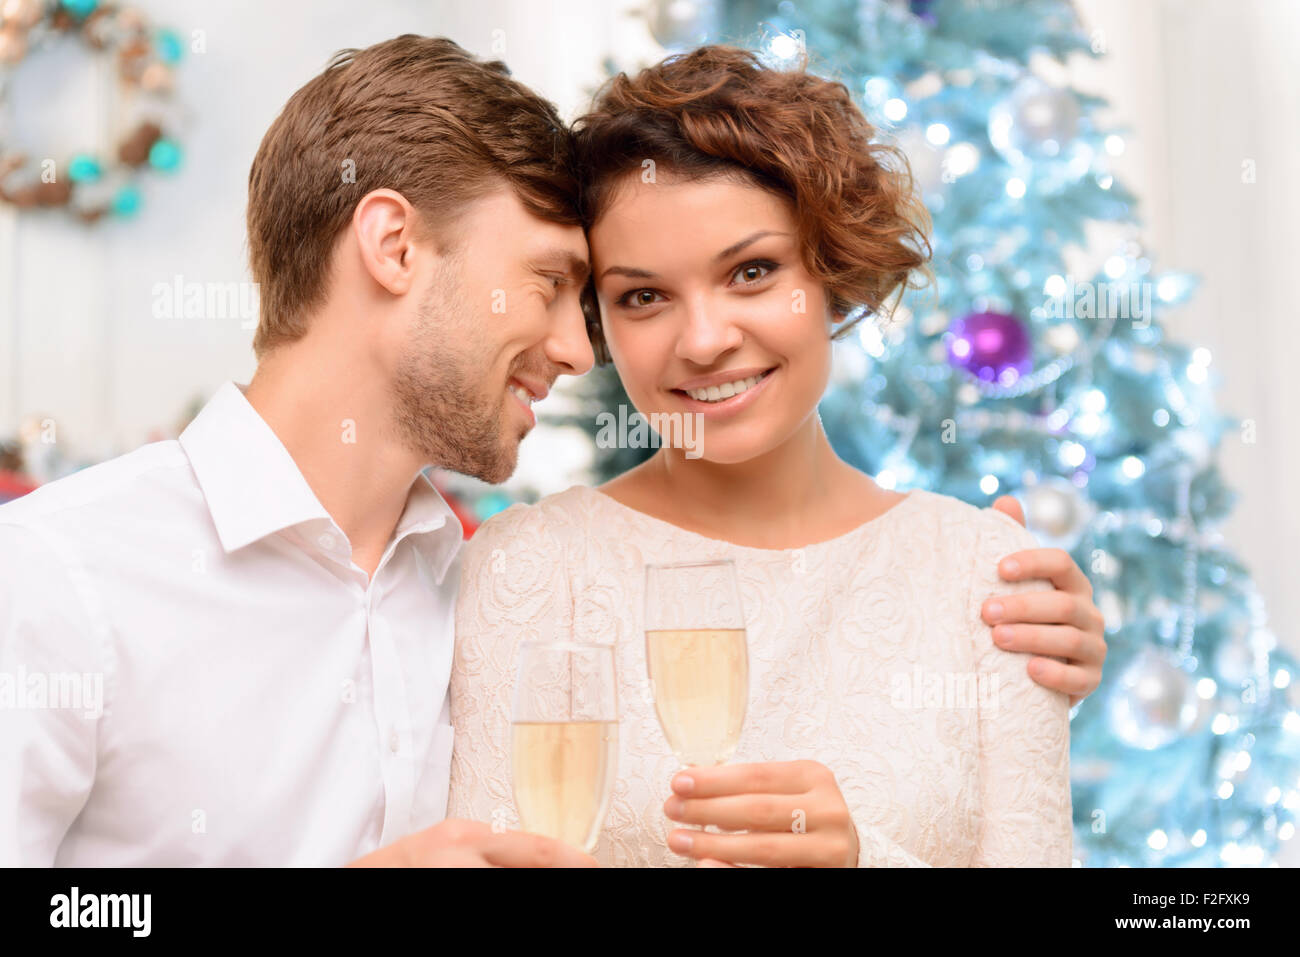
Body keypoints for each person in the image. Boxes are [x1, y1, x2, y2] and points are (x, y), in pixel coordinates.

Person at [447, 45, 1104, 866]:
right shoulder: (527, 571)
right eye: (643, 296)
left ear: (830, 267)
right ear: (598, 319)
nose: (705, 339)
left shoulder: (986, 580)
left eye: (752, 272)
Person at [0, 35, 598, 867]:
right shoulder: (56, 578)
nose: (579, 348)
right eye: (549, 282)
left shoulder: (484, 591)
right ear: (394, 247)